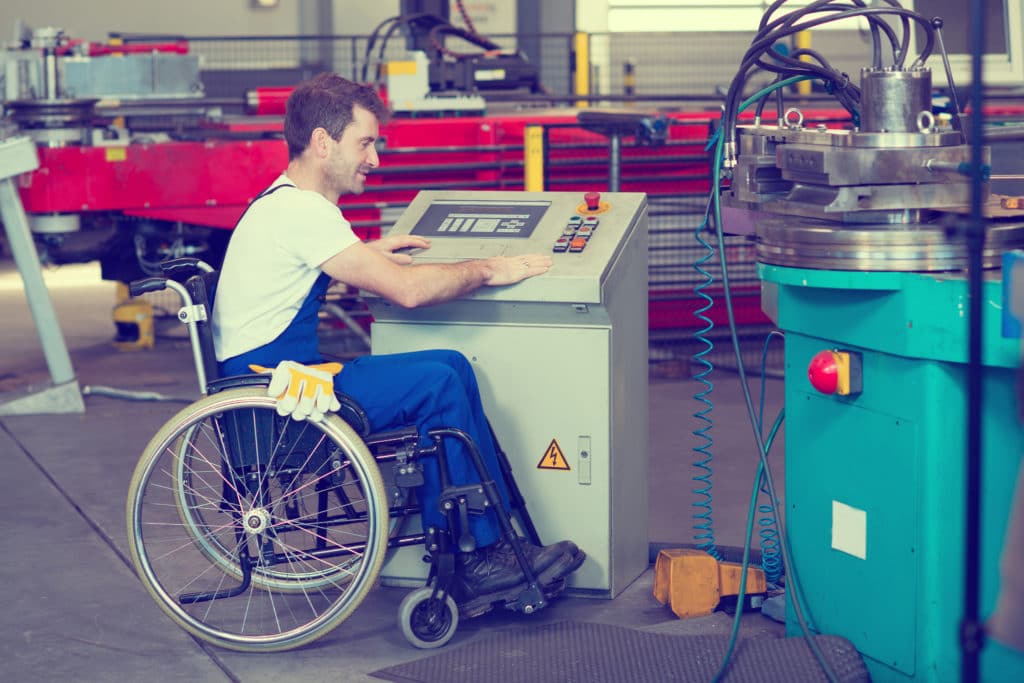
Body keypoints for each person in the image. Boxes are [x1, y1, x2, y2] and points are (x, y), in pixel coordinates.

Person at [211, 72, 584, 616]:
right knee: (435, 383)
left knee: (450, 365)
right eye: (365, 142)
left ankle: (494, 539)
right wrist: (489, 268)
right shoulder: (304, 213)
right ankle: (475, 555)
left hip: (275, 382)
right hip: (278, 406)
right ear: (322, 143)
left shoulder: (283, 203)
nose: (375, 158)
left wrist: (370, 252)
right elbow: (409, 293)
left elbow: (313, 261)